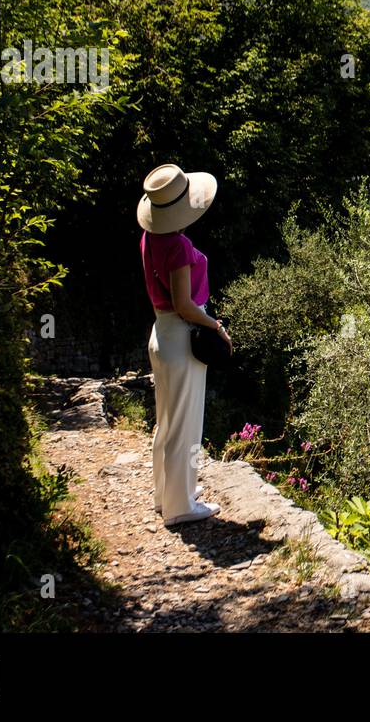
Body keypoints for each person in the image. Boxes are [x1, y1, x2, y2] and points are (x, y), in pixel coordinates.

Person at [136, 163, 231, 526]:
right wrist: (216, 326)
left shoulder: (150, 239)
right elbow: (184, 304)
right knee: (186, 425)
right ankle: (181, 507)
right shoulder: (176, 246)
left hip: (161, 334)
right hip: (182, 336)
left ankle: (166, 495)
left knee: (167, 421)